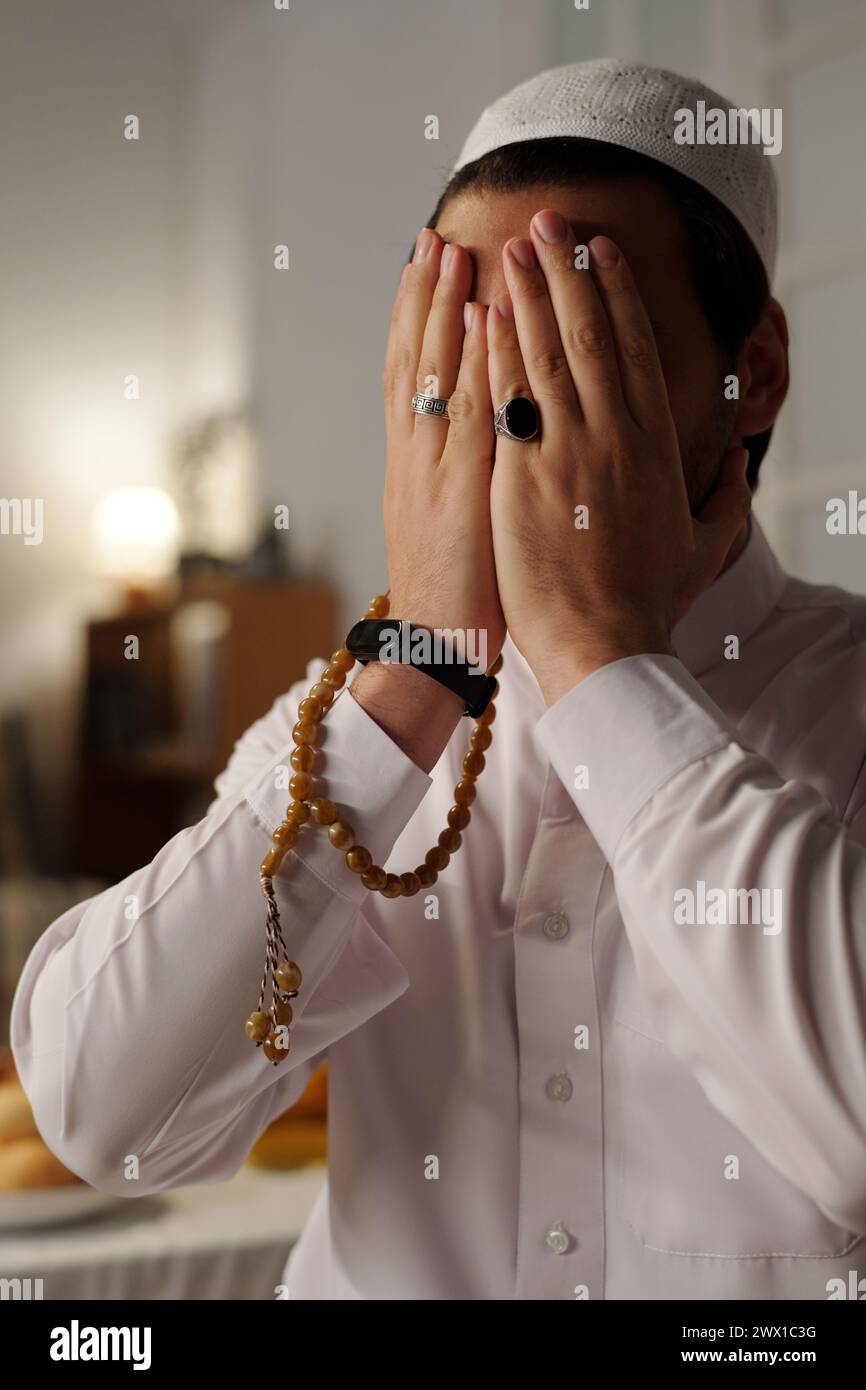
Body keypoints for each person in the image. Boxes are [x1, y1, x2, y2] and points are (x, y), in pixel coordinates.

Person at [11, 59, 866, 1300]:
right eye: (469, 350)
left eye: (582, 344)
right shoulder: (352, 714)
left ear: (756, 374)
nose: (515, 401)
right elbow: (104, 1117)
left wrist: (596, 656)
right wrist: (414, 672)